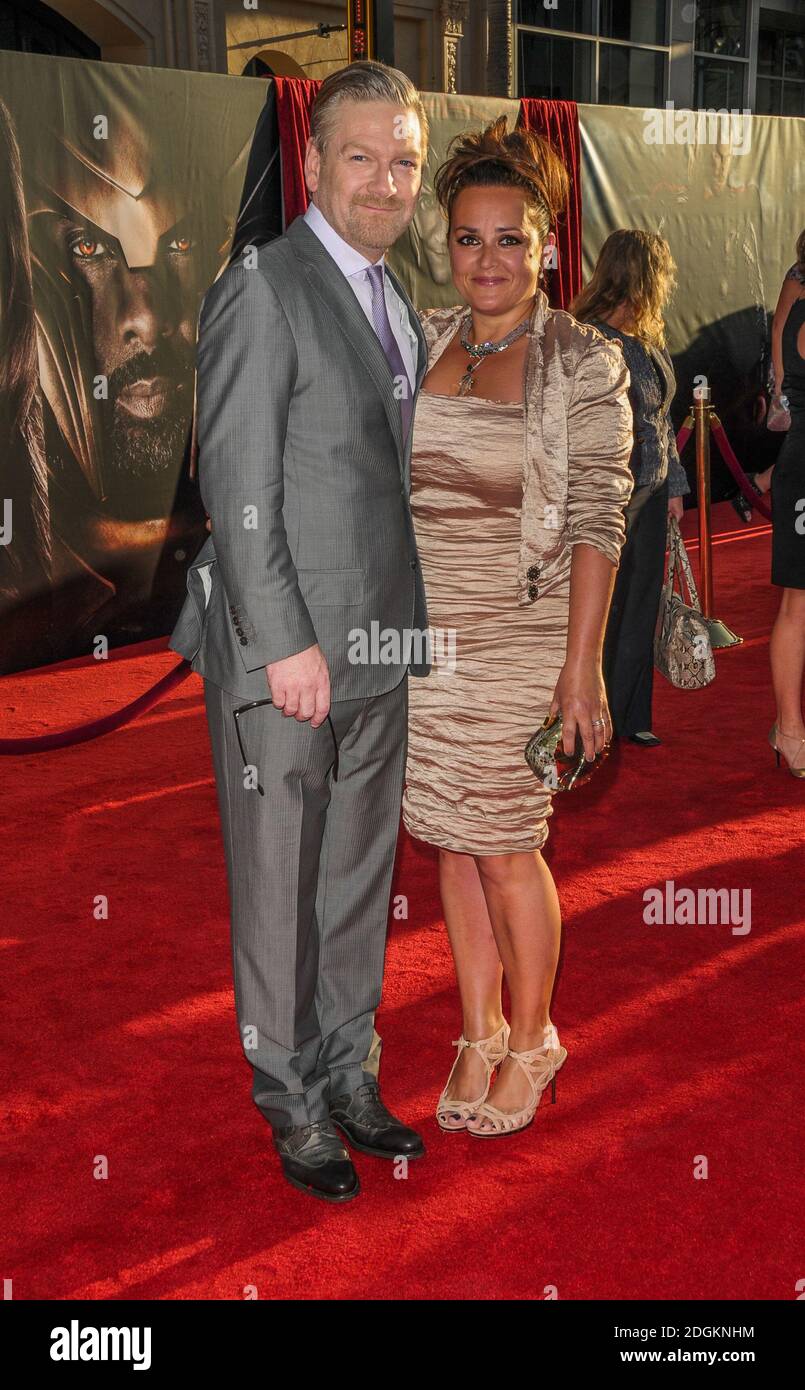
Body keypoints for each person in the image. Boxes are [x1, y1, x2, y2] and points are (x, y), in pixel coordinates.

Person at [169, 61, 432, 1202]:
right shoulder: (264, 286)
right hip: (289, 655)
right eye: (362, 156)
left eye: (405, 160)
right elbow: (238, 481)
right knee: (280, 879)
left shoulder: (395, 294)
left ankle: (347, 1067)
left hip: (379, 639)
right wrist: (282, 641)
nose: (386, 181)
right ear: (315, 164)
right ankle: (289, 1098)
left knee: (358, 874)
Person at [401, 116, 634, 1138]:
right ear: (444, 245)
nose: (486, 258)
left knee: (502, 843)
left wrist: (580, 669)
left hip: (523, 635)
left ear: (546, 245)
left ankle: (535, 1035)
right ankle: (478, 1026)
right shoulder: (426, 336)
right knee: (452, 839)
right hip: (426, 636)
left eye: (508, 238)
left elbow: (597, 517)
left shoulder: (582, 359)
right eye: (466, 237)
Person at [571, 230, 690, 747]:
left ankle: (632, 715)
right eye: (660, 274)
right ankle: (596, 714)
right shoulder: (588, 339)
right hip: (612, 494)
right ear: (641, 276)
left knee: (643, 602)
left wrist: (676, 488)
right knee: (608, 607)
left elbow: (663, 420)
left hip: (655, 486)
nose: (665, 285)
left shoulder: (647, 337)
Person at [768, 240, 805, 777]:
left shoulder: (793, 291)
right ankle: (791, 729)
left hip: (798, 451)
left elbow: (780, 391)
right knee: (799, 602)